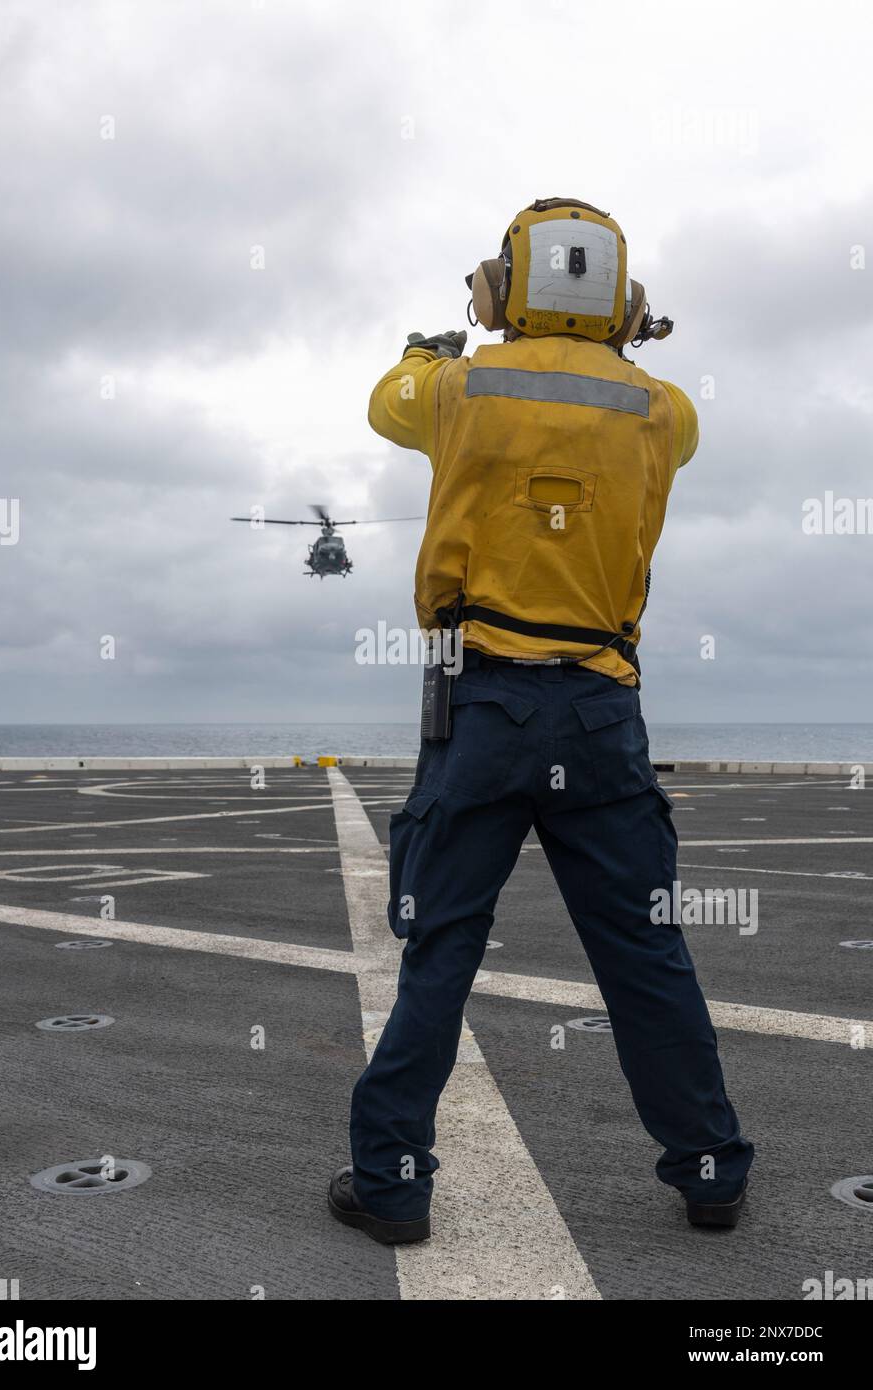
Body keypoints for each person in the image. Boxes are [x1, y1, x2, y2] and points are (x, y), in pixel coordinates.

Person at [328, 197, 754, 1245]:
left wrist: (436, 341)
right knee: (646, 949)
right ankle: (707, 1171)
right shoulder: (662, 409)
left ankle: (390, 1186)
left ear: (507, 287)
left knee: (444, 945)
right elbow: (665, 415)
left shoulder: (461, 388)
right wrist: (619, 341)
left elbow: (389, 402)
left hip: (482, 700)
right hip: (602, 705)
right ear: (620, 300)